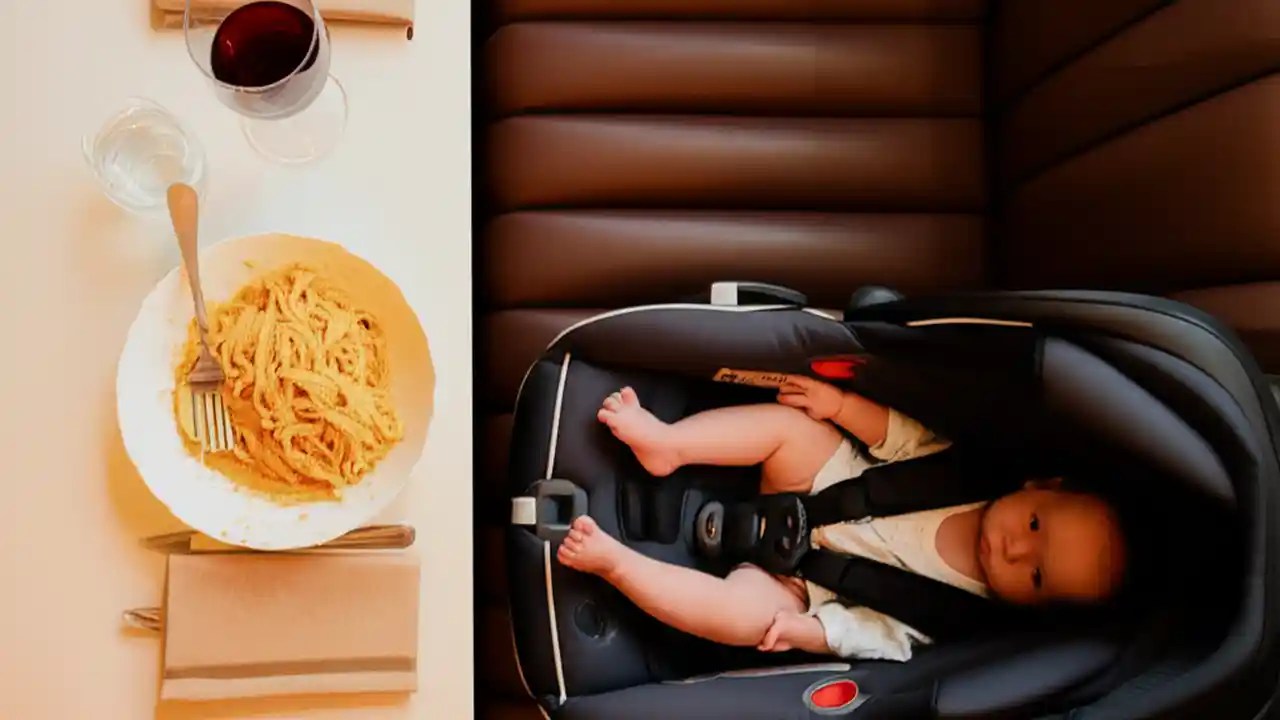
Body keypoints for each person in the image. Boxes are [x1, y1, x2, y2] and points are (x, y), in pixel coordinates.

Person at [555, 376, 1130, 661]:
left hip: (807, 584)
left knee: (752, 620)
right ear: (1040, 487)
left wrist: (815, 632)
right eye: (1034, 527)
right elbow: (897, 436)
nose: (1014, 552)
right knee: (798, 431)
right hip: (821, 483)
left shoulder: (956, 615)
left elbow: (877, 636)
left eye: (1035, 576)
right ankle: (669, 444)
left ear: (1033, 608)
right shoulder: (967, 472)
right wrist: (842, 406)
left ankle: (618, 564)